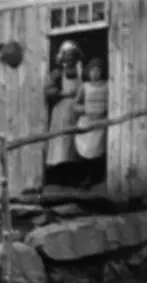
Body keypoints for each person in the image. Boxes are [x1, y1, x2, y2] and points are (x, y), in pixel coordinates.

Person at [44, 41, 83, 188]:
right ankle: (58, 179)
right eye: (66, 58)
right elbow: (48, 92)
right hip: (61, 111)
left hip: (76, 111)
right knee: (60, 143)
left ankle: (73, 178)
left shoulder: (81, 73)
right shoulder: (57, 75)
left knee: (74, 144)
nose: (68, 61)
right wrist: (63, 93)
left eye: (71, 58)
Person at [73, 57, 108, 187]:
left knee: (98, 148)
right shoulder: (84, 86)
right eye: (92, 70)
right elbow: (75, 105)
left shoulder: (108, 85)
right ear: (88, 72)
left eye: (98, 70)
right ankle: (86, 177)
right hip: (87, 121)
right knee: (85, 148)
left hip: (101, 121)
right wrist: (84, 109)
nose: (95, 73)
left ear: (101, 71)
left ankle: (97, 177)